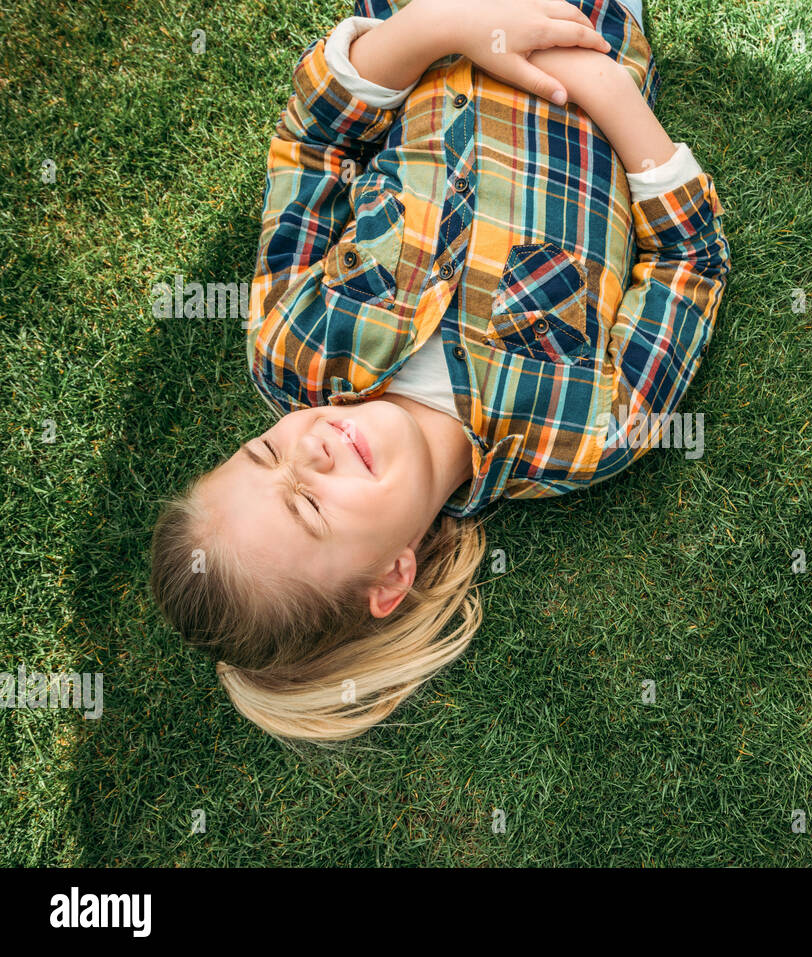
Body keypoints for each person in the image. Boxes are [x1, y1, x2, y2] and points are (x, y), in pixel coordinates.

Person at [150, 0, 729, 742]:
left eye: (264, 453)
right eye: (309, 506)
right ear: (391, 577)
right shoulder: (581, 432)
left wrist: (446, 25)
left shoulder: (291, 345)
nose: (310, 448)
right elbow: (691, 262)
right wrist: (604, 90)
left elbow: (313, 141)